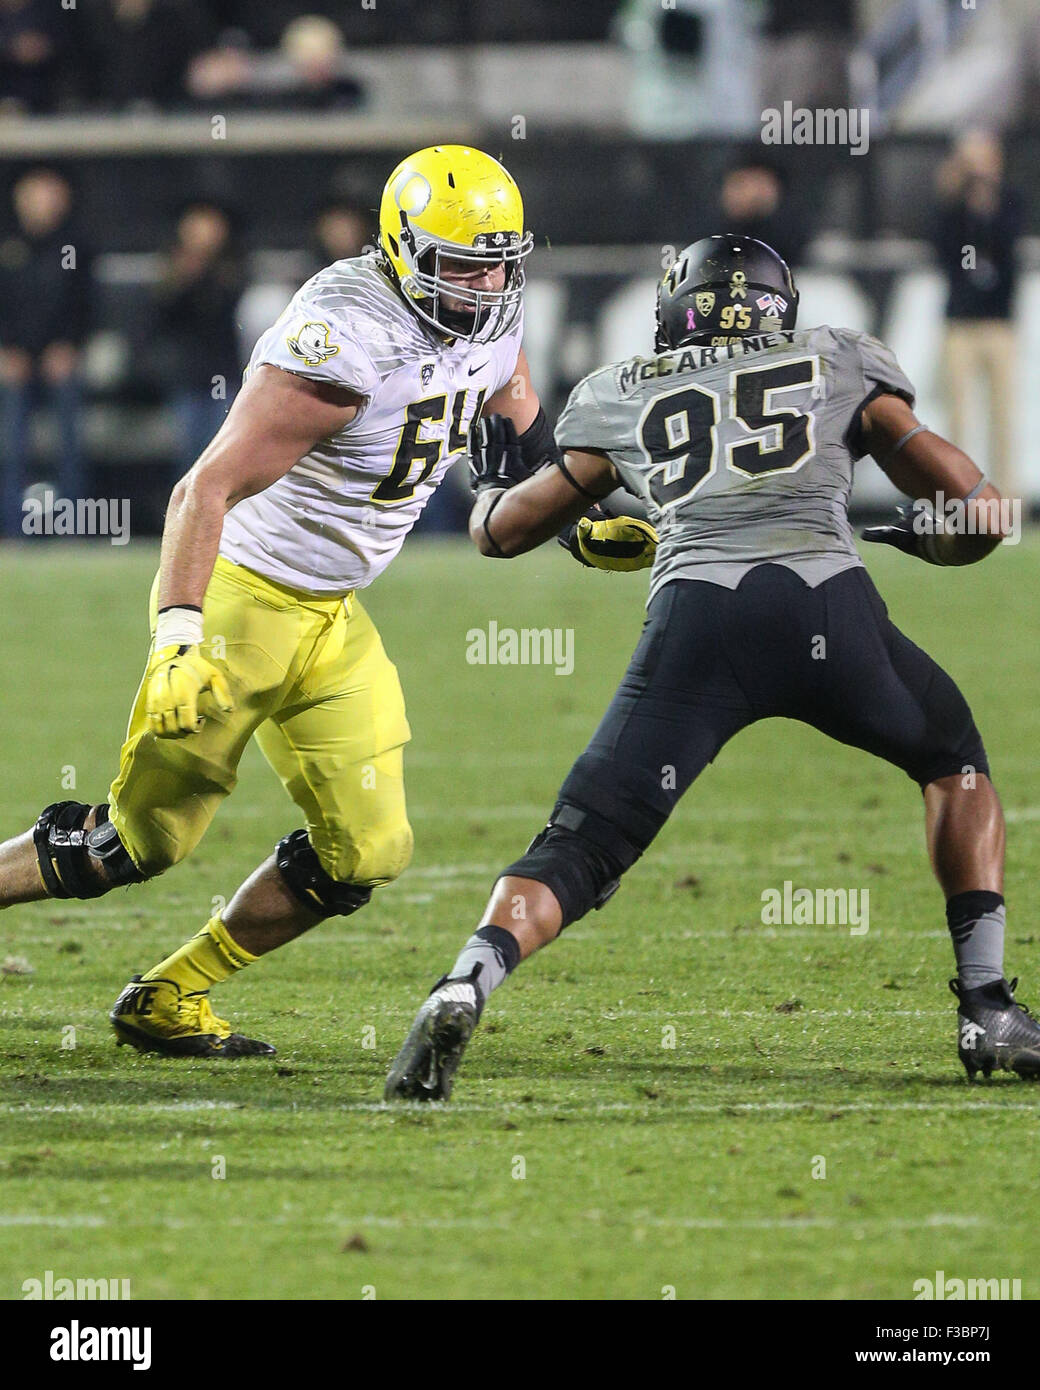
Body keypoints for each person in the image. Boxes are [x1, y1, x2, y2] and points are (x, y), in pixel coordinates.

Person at [386, 234, 1034, 1101]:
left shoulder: (623, 391)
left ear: (674, 308)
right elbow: (987, 514)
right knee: (951, 758)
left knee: (584, 841)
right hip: (828, 608)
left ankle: (468, 978)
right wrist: (925, 544)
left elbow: (500, 536)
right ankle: (987, 1007)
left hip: (697, 621)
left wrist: (497, 488)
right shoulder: (837, 357)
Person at [0, 145, 552, 1059]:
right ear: (405, 248)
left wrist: (568, 515)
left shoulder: (487, 304)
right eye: (462, 264)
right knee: (135, 846)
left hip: (332, 616)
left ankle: (170, 994)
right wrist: (176, 639)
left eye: (499, 261)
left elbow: (509, 399)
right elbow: (201, 490)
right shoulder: (346, 336)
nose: (485, 283)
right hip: (239, 601)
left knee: (368, 849)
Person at [0, 167, 90, 538]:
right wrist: (5, 350)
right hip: (12, 363)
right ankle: (12, 531)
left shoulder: (76, 246)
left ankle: (75, 530)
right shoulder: (7, 244)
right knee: (12, 445)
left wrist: (68, 347)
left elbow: (85, 305)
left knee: (70, 446)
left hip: (61, 362)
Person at [933, 130, 1022, 499]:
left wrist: (987, 205)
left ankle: (1007, 498)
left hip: (999, 322)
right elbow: (945, 253)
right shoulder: (951, 208)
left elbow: (1007, 243)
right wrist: (960, 199)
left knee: (1003, 415)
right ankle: (959, 494)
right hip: (960, 323)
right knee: (959, 414)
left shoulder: (1010, 201)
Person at [154, 201, 245, 482]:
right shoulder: (173, 268)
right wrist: (185, 276)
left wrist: (207, 269)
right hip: (188, 376)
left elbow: (230, 312)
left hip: (227, 373)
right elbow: (162, 316)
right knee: (188, 453)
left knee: (223, 453)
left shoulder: (234, 266)